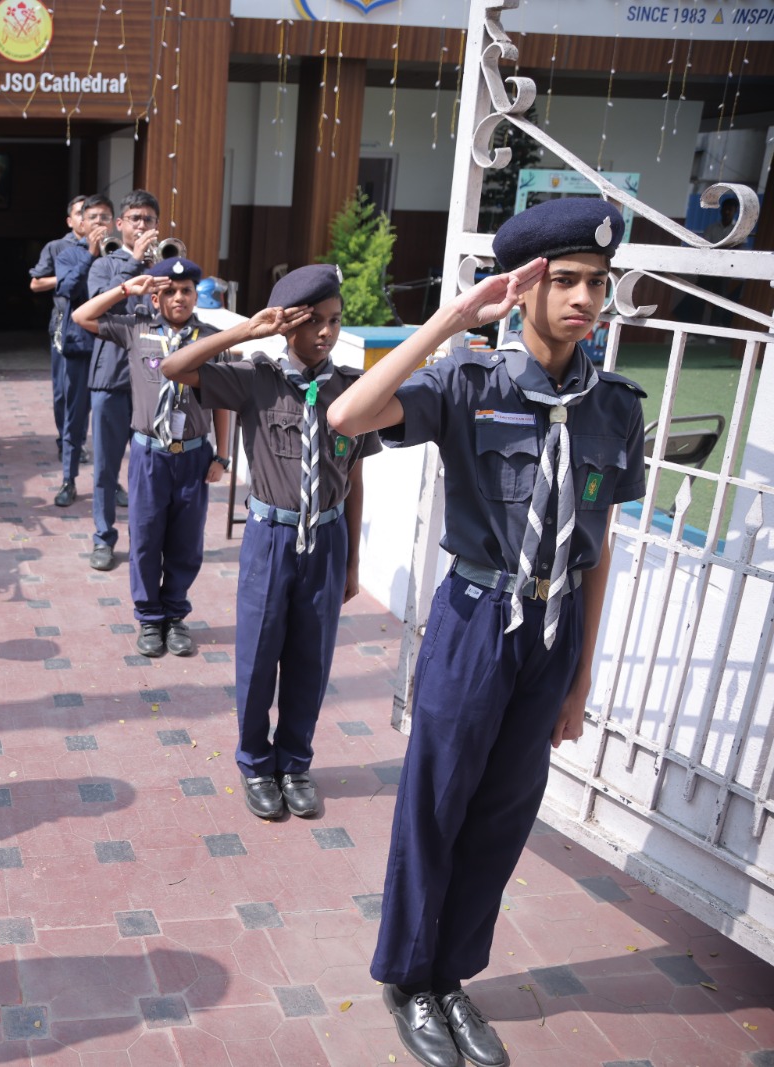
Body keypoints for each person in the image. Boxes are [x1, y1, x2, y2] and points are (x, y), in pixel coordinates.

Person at [327, 198, 646, 1067]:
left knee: (504, 814)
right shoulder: (468, 381)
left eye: (598, 283)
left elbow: (600, 549)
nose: (586, 297)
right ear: (530, 287)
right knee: (436, 807)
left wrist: (579, 682)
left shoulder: (613, 406)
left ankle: (453, 976)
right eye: (568, 280)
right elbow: (346, 417)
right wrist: (453, 317)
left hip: (550, 632)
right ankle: (408, 978)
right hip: (474, 622)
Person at [158, 264, 379, 822]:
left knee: (312, 658)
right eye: (313, 322)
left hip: (325, 538)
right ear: (287, 326)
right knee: (258, 656)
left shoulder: (351, 390)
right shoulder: (256, 378)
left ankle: (295, 761)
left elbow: (353, 478)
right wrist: (243, 333)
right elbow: (173, 366)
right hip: (270, 537)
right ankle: (256, 763)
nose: (326, 332)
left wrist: (352, 562)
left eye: (334, 320)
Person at [73, 256, 232, 656]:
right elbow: (81, 316)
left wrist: (223, 457)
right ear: (157, 297)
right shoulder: (135, 330)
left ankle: (175, 615)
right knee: (145, 538)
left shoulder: (210, 338)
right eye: (170, 291)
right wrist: (128, 289)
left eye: (187, 291)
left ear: (197, 295)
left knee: (186, 540)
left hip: (194, 456)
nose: (179, 298)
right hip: (149, 454)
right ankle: (149, 618)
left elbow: (223, 404)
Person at [84, 189, 162, 570]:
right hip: (110, 379)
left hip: (152, 384)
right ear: (121, 224)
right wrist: (133, 263)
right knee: (105, 468)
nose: (142, 226)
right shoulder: (104, 264)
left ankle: (144, 541)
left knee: (148, 469)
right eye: (136, 219)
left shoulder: (164, 265)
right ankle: (103, 538)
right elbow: (99, 305)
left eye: (149, 219)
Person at [49, 194, 115, 506]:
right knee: (75, 419)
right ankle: (68, 480)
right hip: (79, 346)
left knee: (112, 421)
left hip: (113, 347)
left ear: (113, 222)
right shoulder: (67, 253)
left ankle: (112, 481)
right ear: (82, 223)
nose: (99, 223)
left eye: (105, 218)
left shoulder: (121, 254)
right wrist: (90, 253)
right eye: (93, 218)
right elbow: (67, 289)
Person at [31, 195, 86, 467]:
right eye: (80, 213)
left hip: (97, 326)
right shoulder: (56, 247)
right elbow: (35, 283)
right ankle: (64, 440)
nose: (86, 218)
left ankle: (80, 442)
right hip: (64, 324)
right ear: (70, 219)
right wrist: (69, 276)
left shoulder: (109, 248)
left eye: (92, 213)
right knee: (63, 390)